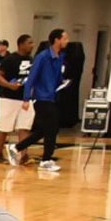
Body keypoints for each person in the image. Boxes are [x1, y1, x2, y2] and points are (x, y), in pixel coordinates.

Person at [17, 30, 71, 171]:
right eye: (65, 38)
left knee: (44, 130)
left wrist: (64, 83)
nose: (67, 41)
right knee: (51, 129)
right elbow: (31, 78)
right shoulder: (42, 57)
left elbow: (58, 77)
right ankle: (46, 159)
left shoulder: (60, 57)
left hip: (53, 97)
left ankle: (18, 147)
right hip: (42, 98)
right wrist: (26, 98)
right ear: (56, 40)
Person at [0, 33, 36, 162]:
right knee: (5, 128)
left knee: (24, 127)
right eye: (29, 42)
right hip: (8, 98)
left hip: (25, 99)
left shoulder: (32, 60)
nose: (32, 45)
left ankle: (23, 154)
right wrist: (9, 85)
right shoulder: (10, 59)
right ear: (21, 44)